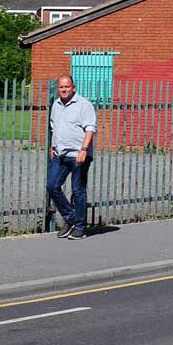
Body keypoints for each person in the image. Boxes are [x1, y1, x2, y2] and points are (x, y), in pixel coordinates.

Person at [48, 75, 97, 239]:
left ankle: (80, 228)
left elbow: (90, 128)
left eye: (67, 87)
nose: (63, 89)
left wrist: (84, 149)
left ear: (73, 88)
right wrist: (53, 146)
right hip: (60, 153)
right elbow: (54, 128)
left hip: (78, 154)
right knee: (52, 185)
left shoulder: (84, 105)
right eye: (61, 87)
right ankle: (71, 218)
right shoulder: (56, 105)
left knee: (78, 190)